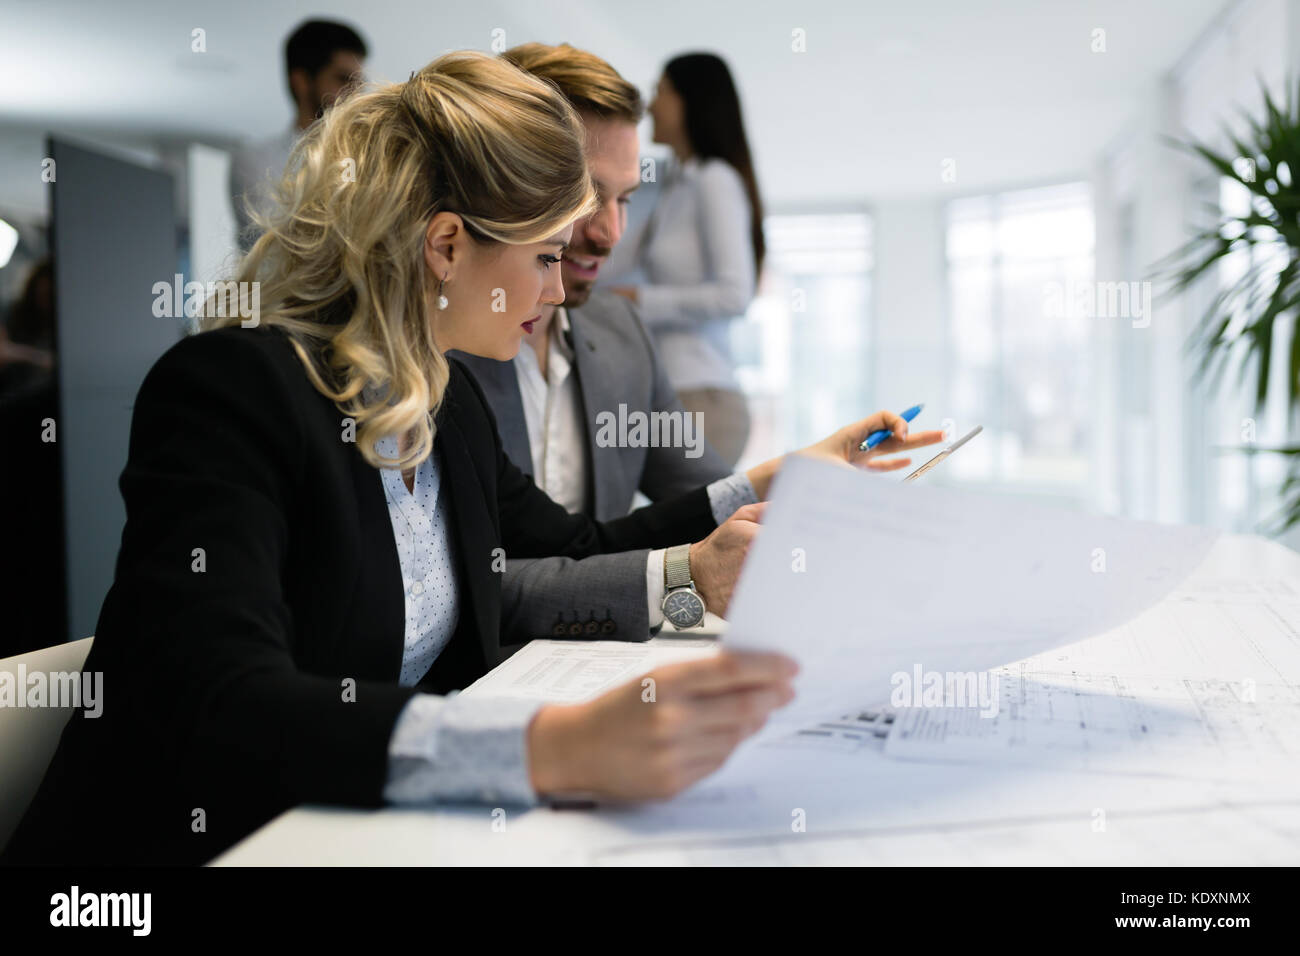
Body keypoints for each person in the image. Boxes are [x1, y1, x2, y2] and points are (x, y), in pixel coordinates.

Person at [1, 52, 798, 867]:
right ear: (448, 246)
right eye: (546, 257)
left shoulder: (445, 405)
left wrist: (758, 494)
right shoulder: (231, 390)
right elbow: (222, 699)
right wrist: (553, 745)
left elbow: (575, 545)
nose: (558, 291)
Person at [453, 43, 943, 649]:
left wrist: (788, 485)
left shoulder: (621, 333)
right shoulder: (444, 346)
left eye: (625, 198)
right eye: (581, 195)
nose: (608, 232)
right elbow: (472, 593)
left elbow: (662, 510)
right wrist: (683, 575)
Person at [609, 53, 764, 466]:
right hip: (671, 394)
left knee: (691, 530)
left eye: (661, 91)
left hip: (705, 398)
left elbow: (736, 294)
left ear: (689, 101)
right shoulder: (675, 186)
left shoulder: (715, 180)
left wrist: (642, 301)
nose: (651, 104)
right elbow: (615, 258)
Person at [229, 19, 367, 249]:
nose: (357, 93)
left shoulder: (364, 161)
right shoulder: (255, 159)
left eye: (360, 81)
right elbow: (279, 243)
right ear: (301, 82)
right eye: (343, 79)